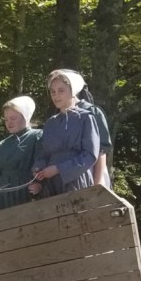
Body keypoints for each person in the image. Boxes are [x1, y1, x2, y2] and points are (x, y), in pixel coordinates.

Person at [29, 70, 100, 198]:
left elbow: (90, 155)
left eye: (61, 90)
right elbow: (43, 153)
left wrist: (59, 169)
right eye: (53, 91)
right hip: (51, 184)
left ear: (73, 91)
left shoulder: (86, 118)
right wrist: (38, 168)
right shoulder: (50, 123)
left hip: (76, 180)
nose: (56, 96)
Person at [77, 86, 113, 188]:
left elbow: (101, 150)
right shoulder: (57, 116)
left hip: (93, 172)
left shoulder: (93, 111)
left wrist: (98, 181)